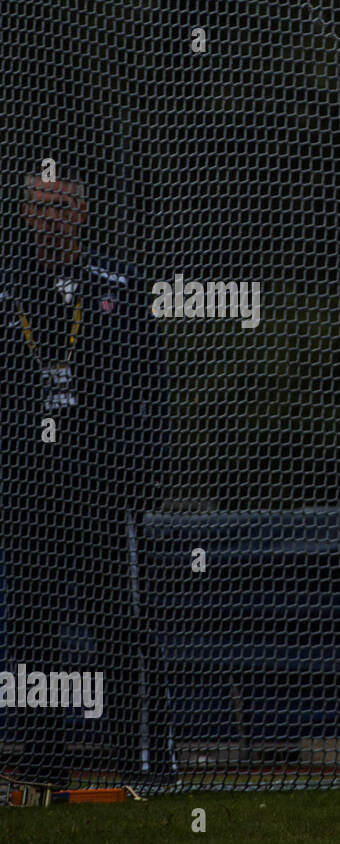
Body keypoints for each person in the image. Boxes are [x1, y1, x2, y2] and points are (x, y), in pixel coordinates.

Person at [0, 172, 170, 787]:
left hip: (104, 485)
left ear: (82, 212)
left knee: (120, 625)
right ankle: (45, 766)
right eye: (39, 207)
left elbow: (154, 385)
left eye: (61, 207)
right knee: (34, 631)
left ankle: (143, 763)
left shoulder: (121, 285)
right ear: (24, 213)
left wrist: (150, 464)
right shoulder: (9, 287)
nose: (50, 218)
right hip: (27, 489)